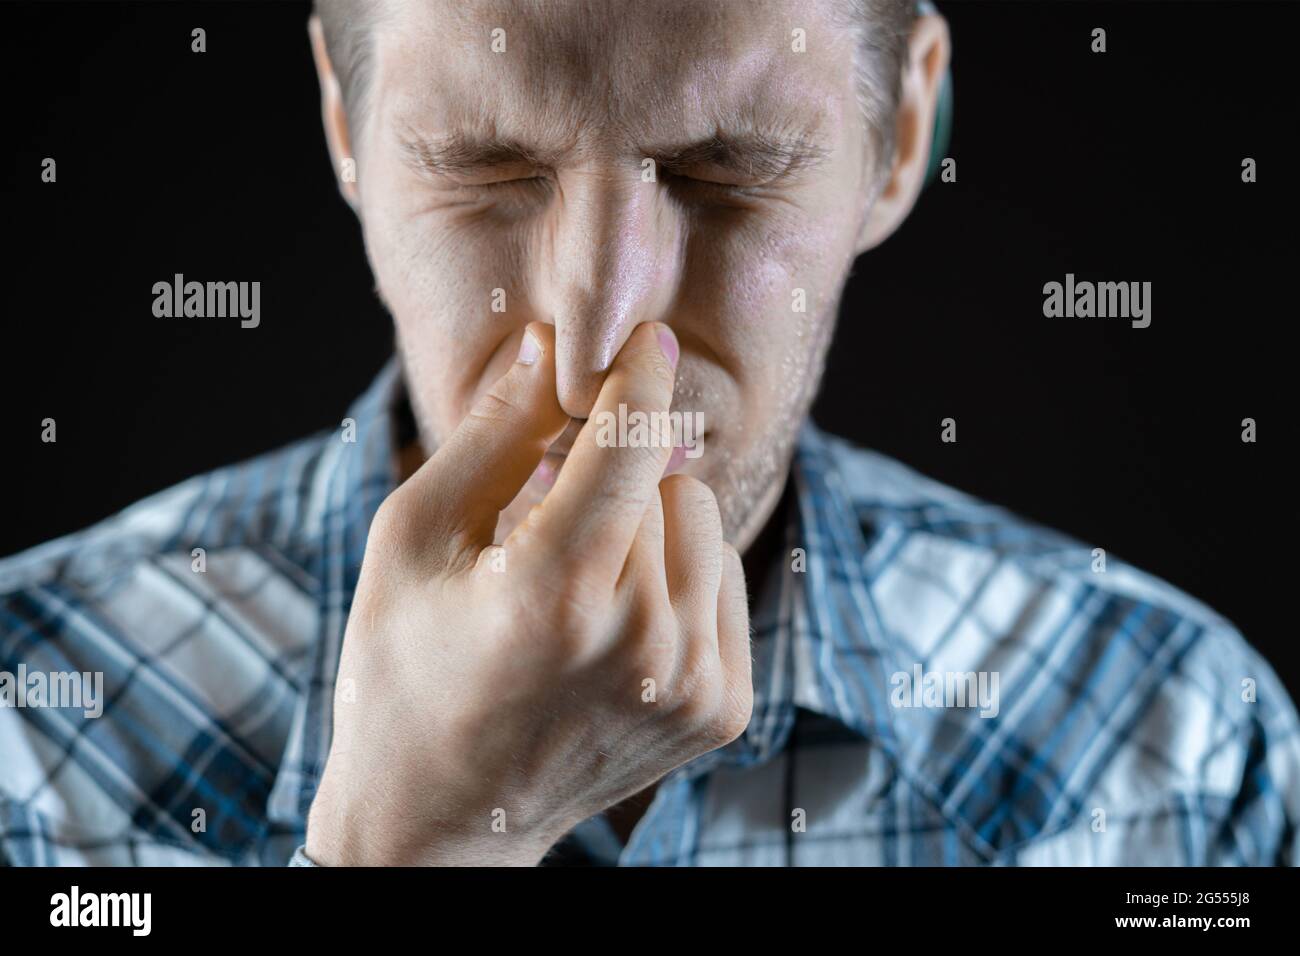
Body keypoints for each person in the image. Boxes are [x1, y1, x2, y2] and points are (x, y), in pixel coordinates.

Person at [2, 0, 1296, 867]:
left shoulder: (1170, 747)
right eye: (483, 166)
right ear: (350, 136)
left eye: (727, 171)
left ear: (902, 135)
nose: (593, 337)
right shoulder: (33, 719)